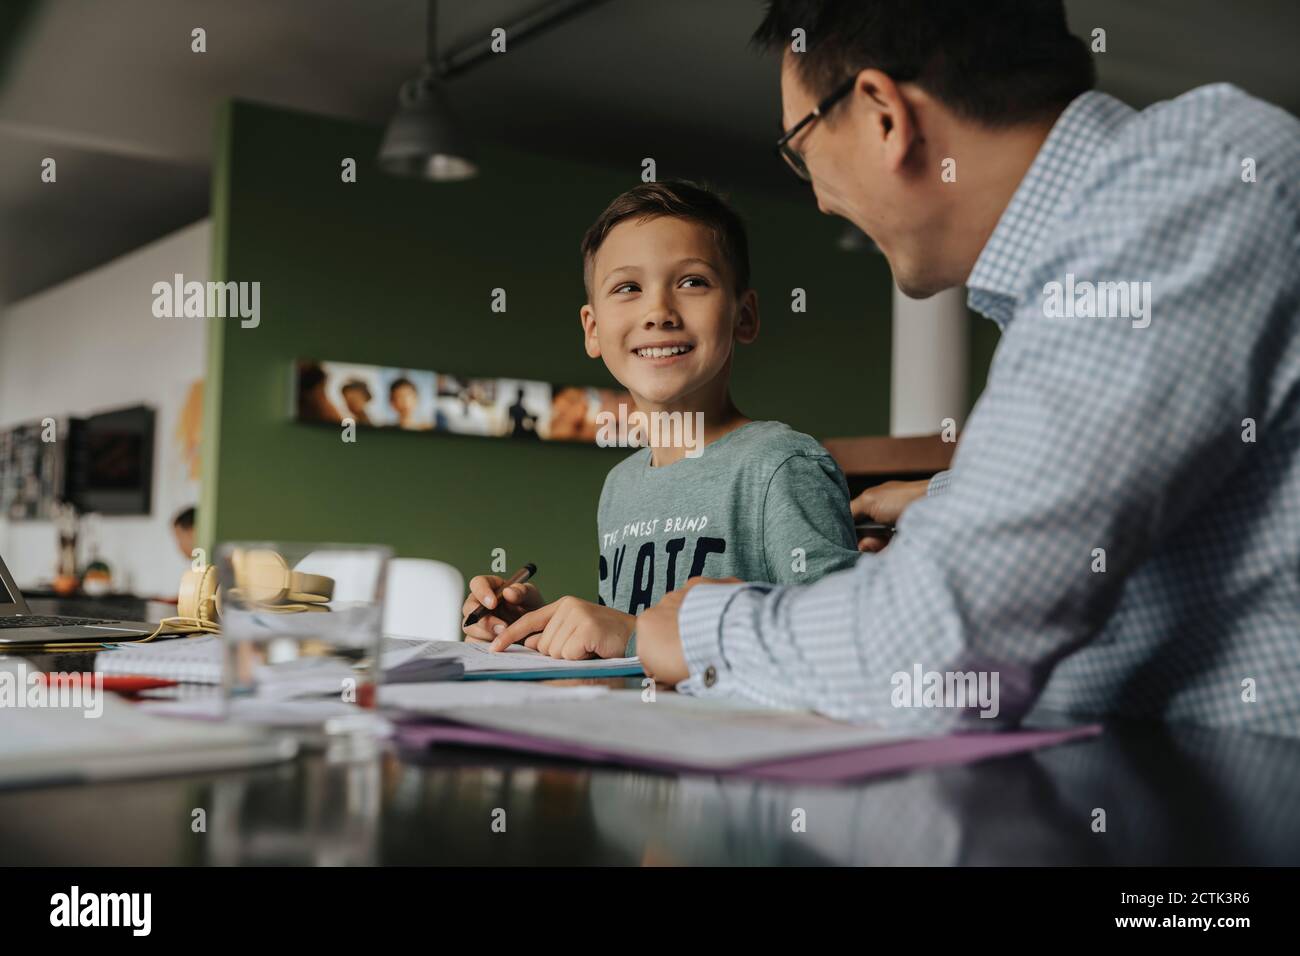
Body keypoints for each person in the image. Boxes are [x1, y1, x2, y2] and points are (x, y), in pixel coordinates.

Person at [633, 0, 1300, 735]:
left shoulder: (1189, 187)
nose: (818, 199)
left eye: (801, 145)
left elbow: (945, 652)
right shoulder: (1104, 249)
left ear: (883, 113)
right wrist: (953, 504)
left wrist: (706, 628)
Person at [461, 181, 861, 659]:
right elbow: (631, 645)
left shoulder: (781, 466)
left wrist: (634, 635)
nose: (659, 312)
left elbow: (847, 645)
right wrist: (535, 629)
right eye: (628, 287)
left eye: (692, 281)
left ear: (744, 315)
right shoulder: (620, 485)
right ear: (593, 329)